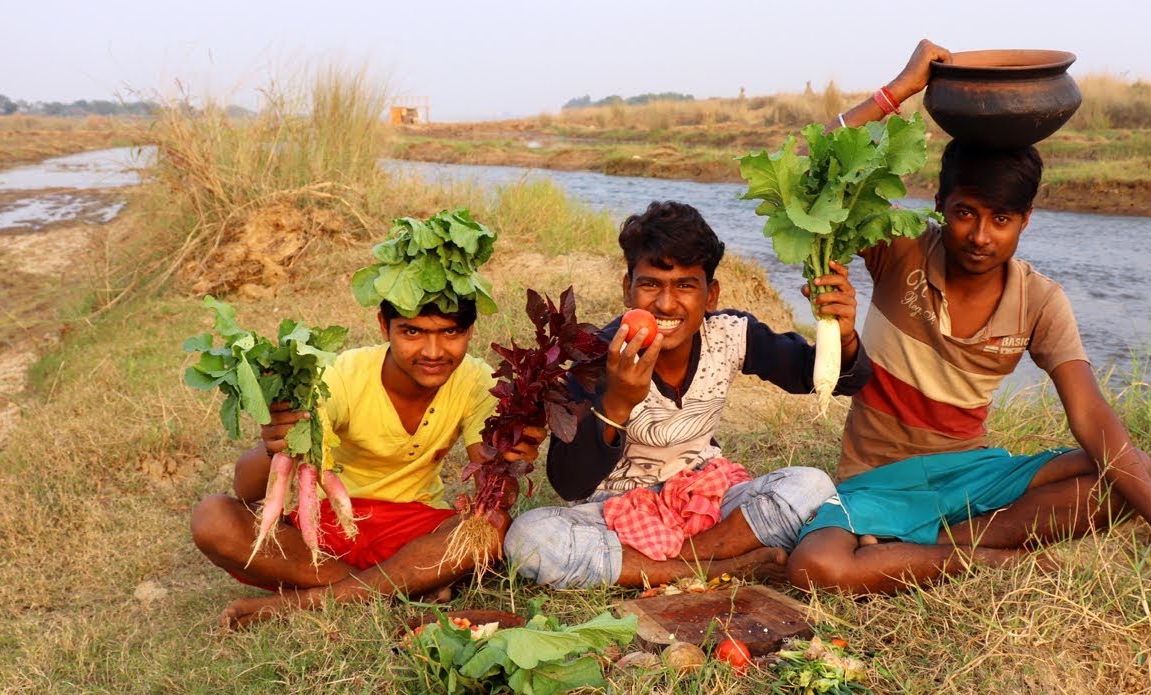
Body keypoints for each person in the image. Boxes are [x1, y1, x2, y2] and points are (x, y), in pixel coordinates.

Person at [786, 40, 1151, 624]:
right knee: (815, 567)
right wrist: (899, 88)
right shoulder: (898, 250)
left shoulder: (1039, 301)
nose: (980, 235)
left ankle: (936, 548)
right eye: (965, 212)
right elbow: (803, 173)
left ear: (1025, 220)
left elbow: (1091, 415)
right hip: (877, 482)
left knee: (1135, 478)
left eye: (1001, 219)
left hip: (975, 475)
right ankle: (984, 559)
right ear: (941, 206)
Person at [503, 200, 872, 589]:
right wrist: (618, 402)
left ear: (710, 295)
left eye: (684, 285)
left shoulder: (731, 334)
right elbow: (569, 484)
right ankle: (721, 567)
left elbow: (824, 377)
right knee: (531, 539)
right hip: (615, 513)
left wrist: (842, 334)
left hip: (705, 498)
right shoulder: (597, 355)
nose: (665, 303)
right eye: (650, 284)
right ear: (627, 289)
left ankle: (664, 565)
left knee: (811, 485)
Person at [190, 298, 546, 629]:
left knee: (493, 527)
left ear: (469, 330)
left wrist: (508, 458)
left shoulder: (476, 381)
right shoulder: (342, 376)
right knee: (212, 518)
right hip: (323, 533)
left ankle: (307, 601)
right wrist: (274, 448)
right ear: (383, 326)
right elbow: (245, 490)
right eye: (412, 332)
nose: (433, 352)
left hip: (416, 534)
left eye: (450, 332)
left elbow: (494, 488)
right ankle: (403, 587)